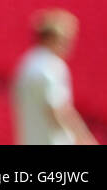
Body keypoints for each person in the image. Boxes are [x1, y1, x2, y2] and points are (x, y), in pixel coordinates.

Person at [11, 8, 95, 146]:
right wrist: (82, 139)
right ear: (51, 38)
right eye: (65, 39)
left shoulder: (26, 64)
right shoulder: (50, 67)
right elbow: (57, 109)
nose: (69, 45)